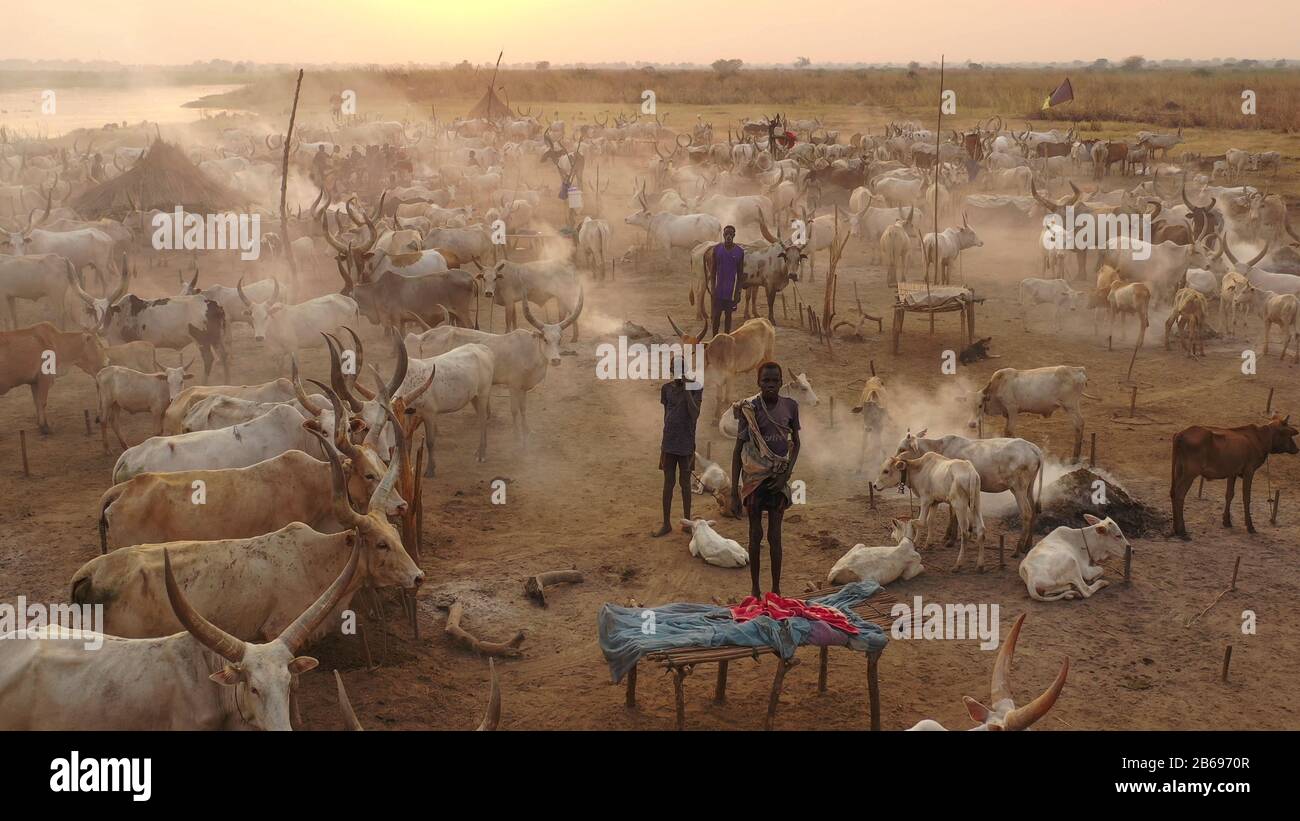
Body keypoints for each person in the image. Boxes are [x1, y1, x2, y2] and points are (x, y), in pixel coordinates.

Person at [730, 361, 801, 598]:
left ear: (781, 382)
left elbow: (796, 444)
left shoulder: (791, 406)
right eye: (766, 381)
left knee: (775, 536)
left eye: (774, 380)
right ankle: (755, 589)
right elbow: (738, 449)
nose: (770, 385)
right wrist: (734, 491)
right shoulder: (750, 409)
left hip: (778, 479)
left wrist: (785, 476)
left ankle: (776, 590)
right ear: (758, 382)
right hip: (754, 480)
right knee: (754, 534)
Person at [653, 355, 703, 538]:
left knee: (685, 484)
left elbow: (695, 414)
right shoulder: (666, 389)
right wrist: (665, 439)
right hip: (669, 441)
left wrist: (687, 389)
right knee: (668, 483)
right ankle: (666, 523)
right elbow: (667, 415)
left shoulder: (696, 387)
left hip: (686, 442)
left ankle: (687, 523)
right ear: (671, 369)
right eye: (676, 367)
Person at [710, 225, 744, 336]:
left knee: (728, 317)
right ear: (723, 235)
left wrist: (738, 293)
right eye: (726, 234)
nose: (728, 236)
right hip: (718, 291)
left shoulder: (739, 252)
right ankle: (714, 338)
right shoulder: (717, 249)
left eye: (731, 234)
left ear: (734, 235)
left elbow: (740, 275)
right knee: (716, 317)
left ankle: (726, 339)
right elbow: (713, 270)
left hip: (730, 292)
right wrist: (712, 289)